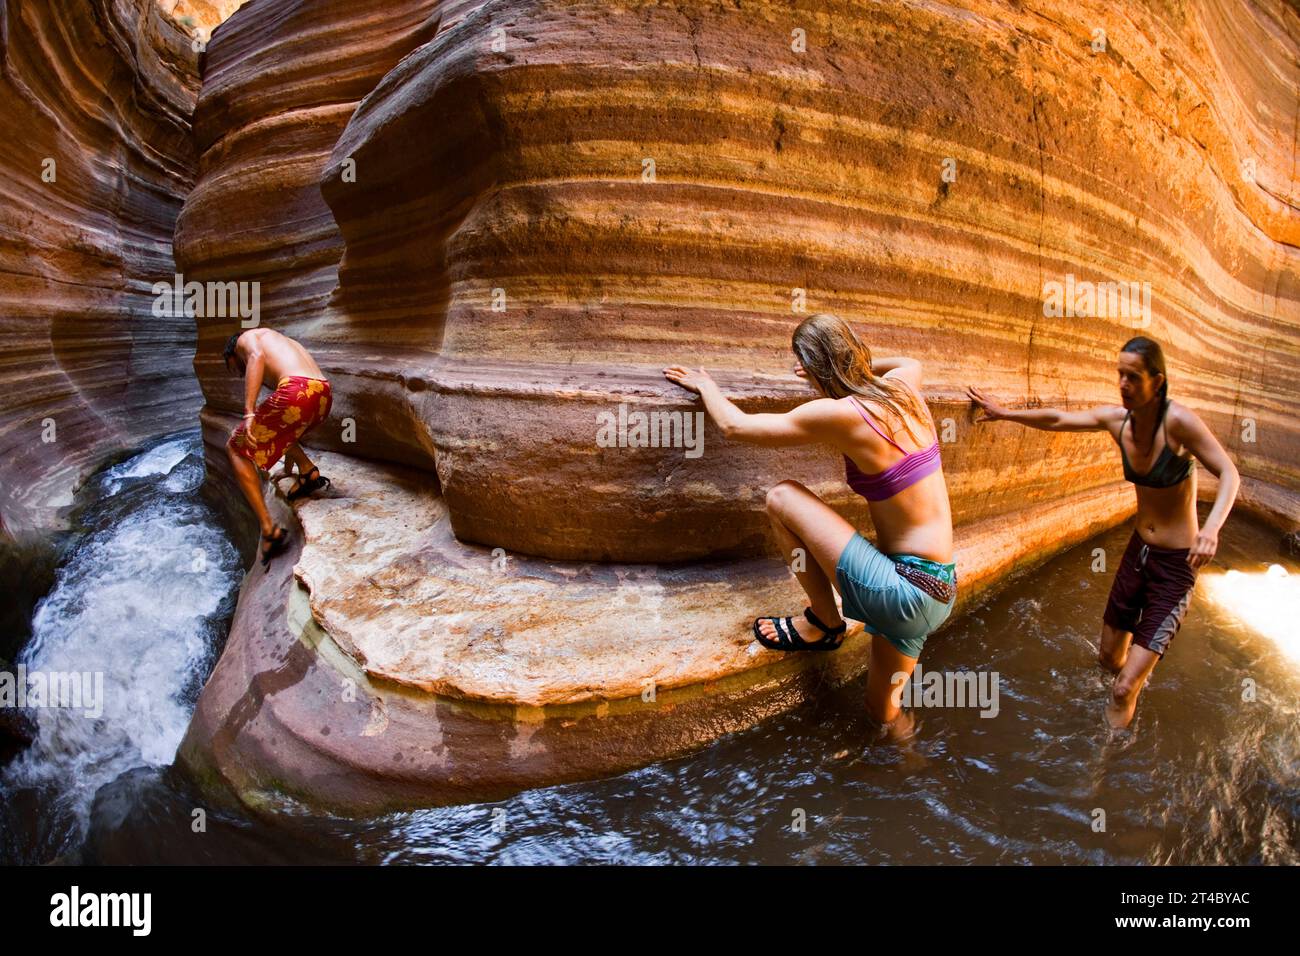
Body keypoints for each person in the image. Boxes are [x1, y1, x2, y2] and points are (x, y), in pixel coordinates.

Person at [664, 313, 956, 739]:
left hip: (902, 592)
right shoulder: (904, 386)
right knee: (882, 716)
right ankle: (909, 764)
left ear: (815, 367)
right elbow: (908, 360)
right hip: (938, 590)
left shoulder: (842, 414)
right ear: (855, 352)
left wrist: (708, 386)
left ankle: (824, 623)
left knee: (781, 496)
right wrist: (851, 364)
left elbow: (735, 426)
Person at [967, 336, 1239, 729]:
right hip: (1137, 553)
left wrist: (1211, 528)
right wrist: (1005, 414)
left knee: (1122, 687)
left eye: (1133, 377)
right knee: (1109, 660)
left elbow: (1229, 473)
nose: (1123, 384)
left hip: (1175, 566)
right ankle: (1132, 680)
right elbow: (1060, 420)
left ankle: (1104, 764)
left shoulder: (1179, 423)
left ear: (1157, 381)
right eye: (1120, 375)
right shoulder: (1117, 421)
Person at [223, 328, 334, 566]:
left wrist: (249, 412)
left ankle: (268, 528)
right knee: (276, 428)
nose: (238, 373)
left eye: (233, 366)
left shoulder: (246, 338)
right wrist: (289, 467)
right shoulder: (284, 341)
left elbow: (255, 357)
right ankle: (307, 472)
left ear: (232, 353)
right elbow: (283, 431)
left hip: (297, 390)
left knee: (235, 447)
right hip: (323, 395)